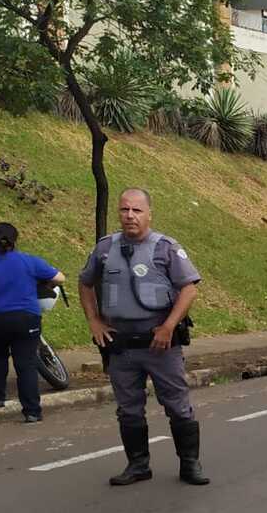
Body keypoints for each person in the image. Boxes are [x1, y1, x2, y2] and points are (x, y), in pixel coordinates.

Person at [78, 188, 208, 487]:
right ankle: (138, 465)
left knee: (176, 404)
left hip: (160, 344)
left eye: (137, 211)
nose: (130, 216)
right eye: (124, 210)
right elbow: (85, 283)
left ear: (149, 214)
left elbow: (189, 289)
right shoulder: (105, 248)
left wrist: (168, 327)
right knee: (128, 408)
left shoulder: (166, 248)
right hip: (121, 346)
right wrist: (94, 321)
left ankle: (190, 463)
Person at [0, 223, 66, 423]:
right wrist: (46, 284)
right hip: (26, 318)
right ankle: (32, 411)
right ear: (16, 240)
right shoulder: (29, 261)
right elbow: (60, 278)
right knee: (25, 363)